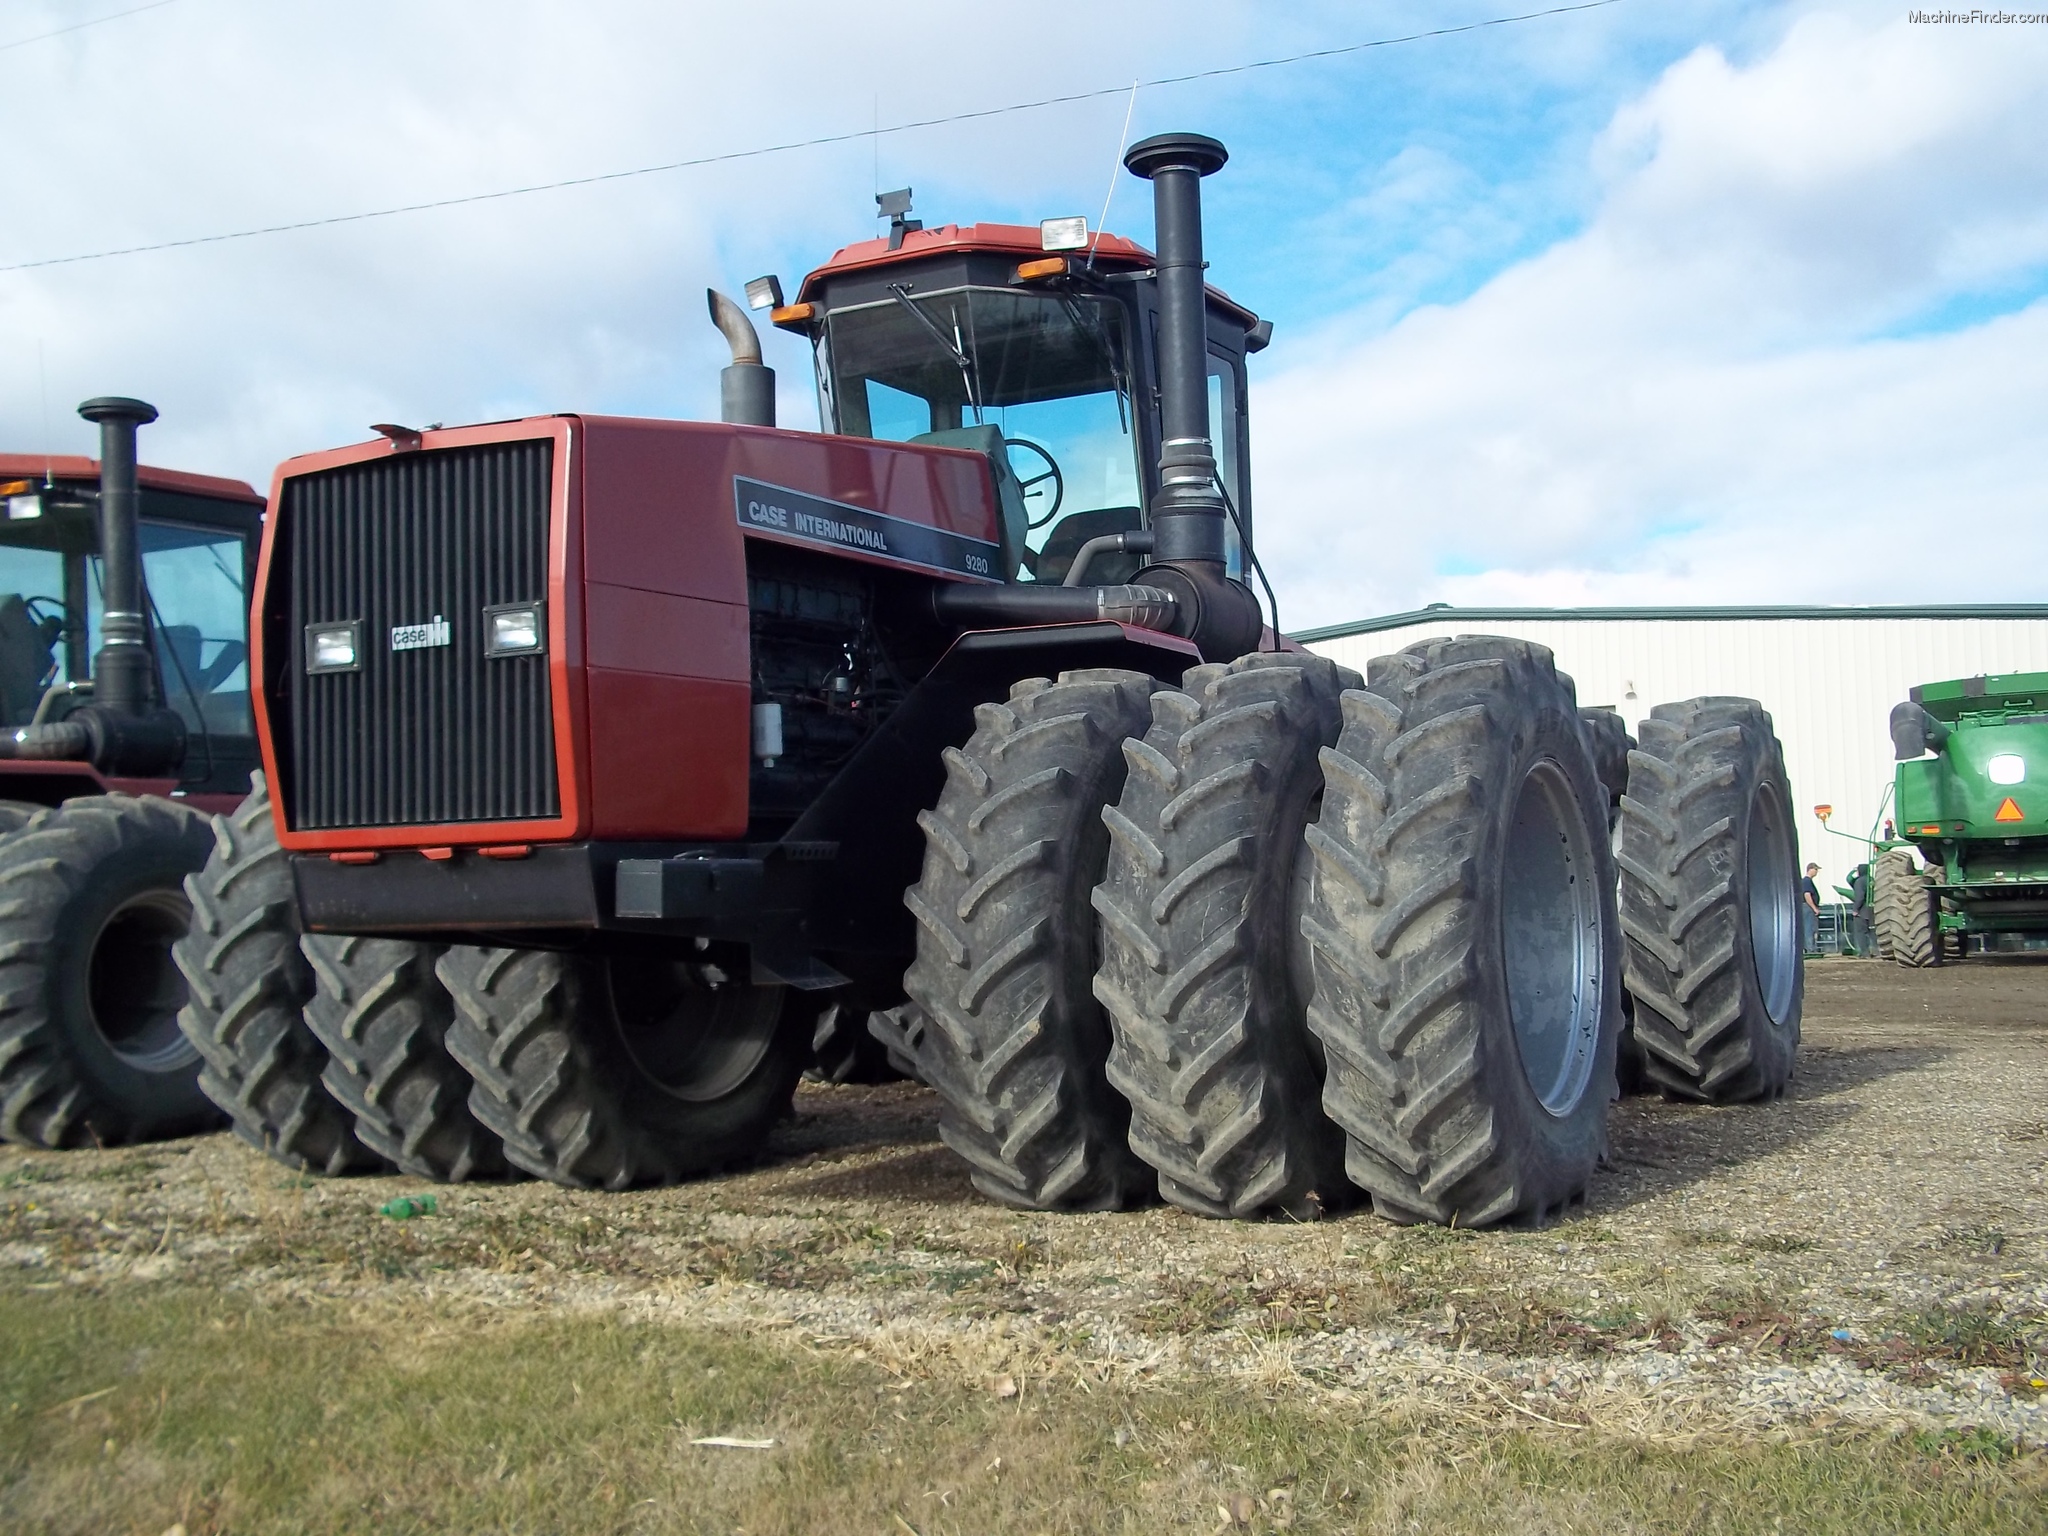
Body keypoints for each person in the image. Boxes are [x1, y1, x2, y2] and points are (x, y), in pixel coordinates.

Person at [1799, 862, 1822, 954]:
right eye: (1816, 870)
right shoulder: (1807, 881)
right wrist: (1814, 908)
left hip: (1806, 907)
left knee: (1808, 927)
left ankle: (1808, 948)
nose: (1817, 872)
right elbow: (1807, 895)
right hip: (1808, 908)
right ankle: (1810, 949)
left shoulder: (1806, 881)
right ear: (1810, 869)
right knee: (1809, 928)